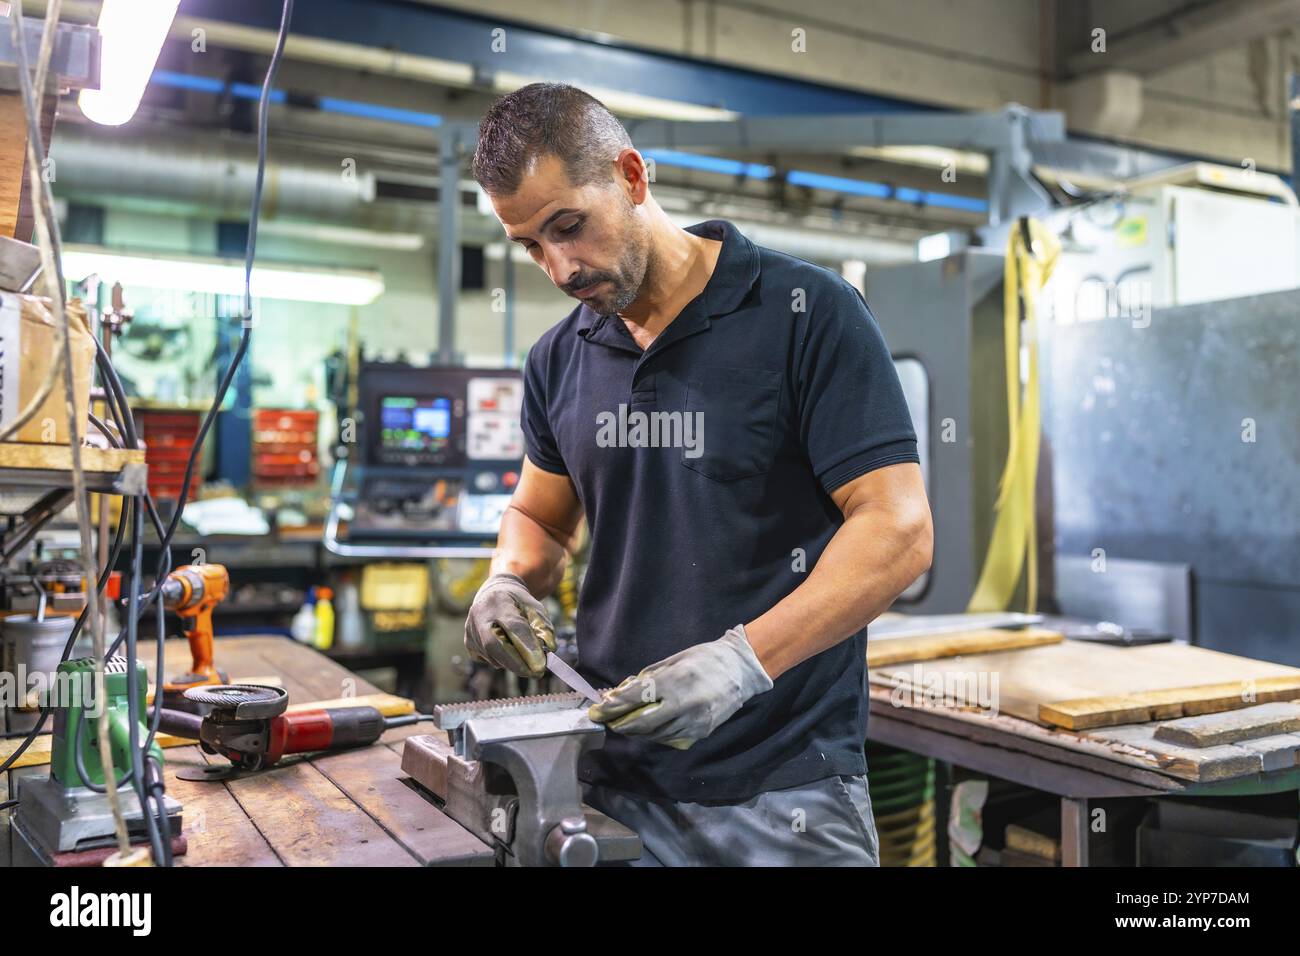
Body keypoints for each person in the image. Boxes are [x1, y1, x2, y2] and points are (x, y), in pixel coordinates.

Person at [463, 82, 933, 866]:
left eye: (569, 227)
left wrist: (742, 661)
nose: (560, 267)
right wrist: (505, 581)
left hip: (785, 793)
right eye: (531, 246)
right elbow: (541, 519)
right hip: (611, 783)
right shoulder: (558, 358)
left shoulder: (807, 314)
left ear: (633, 175)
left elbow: (898, 530)